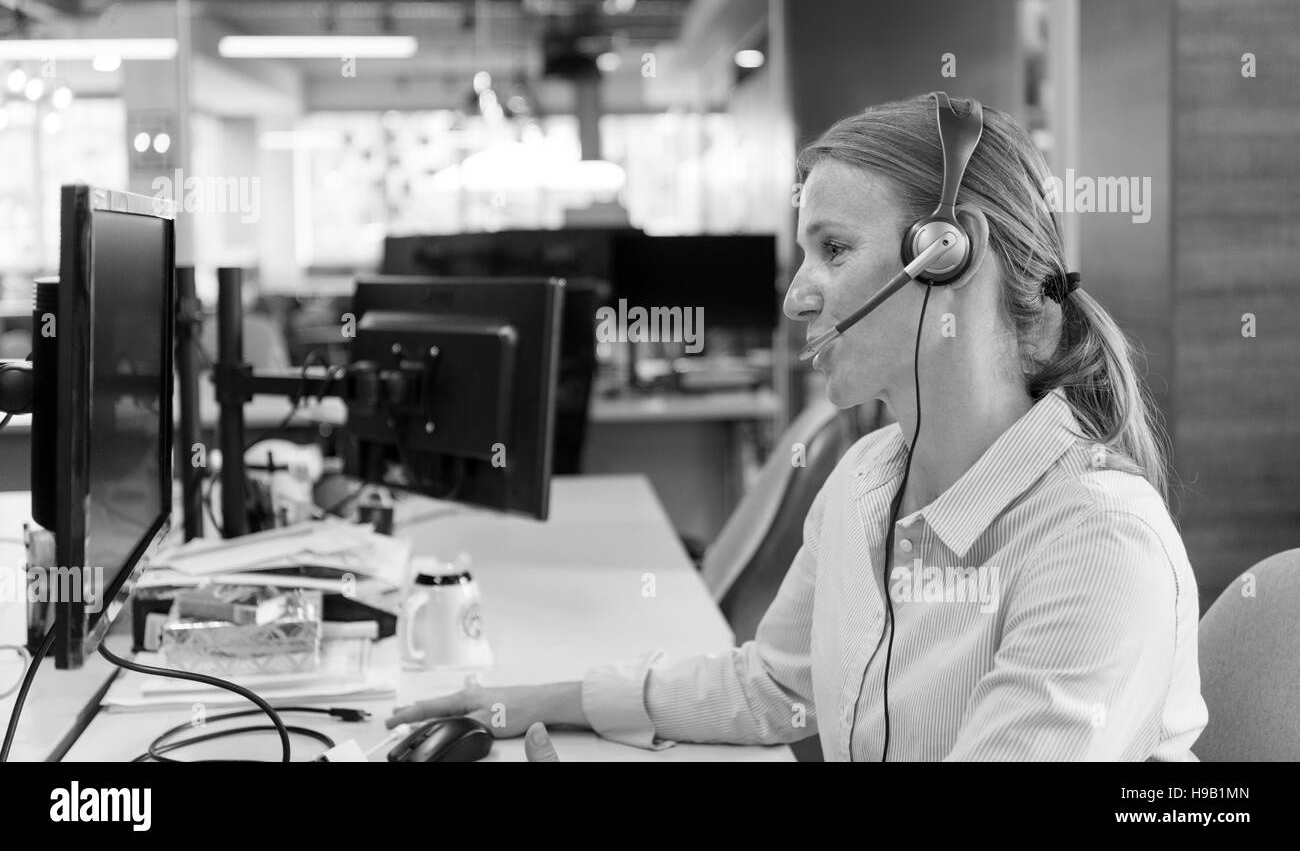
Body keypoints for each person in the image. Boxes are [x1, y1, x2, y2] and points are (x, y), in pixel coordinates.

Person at [387, 94, 1207, 761]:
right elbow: (774, 689)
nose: (796, 296)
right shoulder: (865, 480)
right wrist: (537, 700)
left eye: (834, 248)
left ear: (949, 254)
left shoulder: (1095, 544)